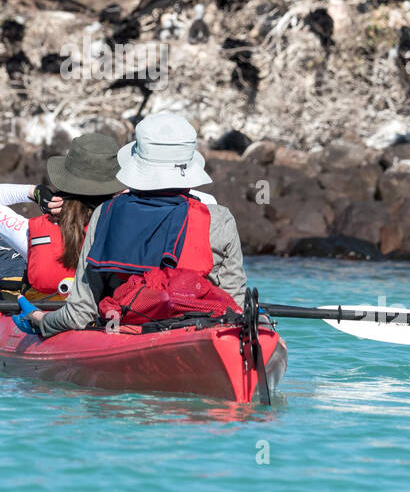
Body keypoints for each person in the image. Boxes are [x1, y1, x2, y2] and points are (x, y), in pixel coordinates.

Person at [18, 113, 247, 337]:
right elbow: (235, 307)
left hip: (127, 333)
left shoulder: (106, 213)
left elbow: (79, 314)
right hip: (204, 333)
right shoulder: (220, 219)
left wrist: (42, 321)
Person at [0, 133, 125, 303]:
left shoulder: (31, 232)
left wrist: (33, 192)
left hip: (50, 314)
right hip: (110, 314)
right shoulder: (132, 224)